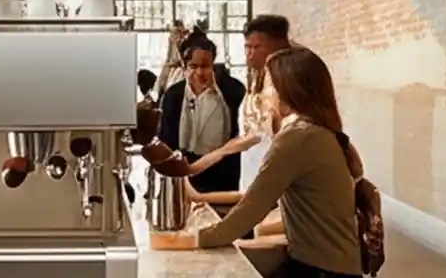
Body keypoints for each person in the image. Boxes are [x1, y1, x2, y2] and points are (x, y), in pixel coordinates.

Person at [151, 47, 364, 278]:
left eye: (268, 85)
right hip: (328, 265)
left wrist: (183, 241)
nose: (262, 95)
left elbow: (246, 214)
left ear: (287, 90)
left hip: (320, 271)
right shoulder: (315, 131)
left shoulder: (297, 137)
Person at [157, 29, 248, 193]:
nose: (199, 72)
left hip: (222, 173)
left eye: (205, 66)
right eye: (193, 66)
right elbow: (165, 138)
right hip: (184, 174)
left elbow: (241, 133)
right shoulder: (174, 95)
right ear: (184, 66)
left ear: (213, 64)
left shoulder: (233, 91)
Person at [239, 14, 292, 189]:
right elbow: (252, 136)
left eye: (256, 47)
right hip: (251, 175)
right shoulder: (256, 77)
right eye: (247, 46)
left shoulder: (287, 84)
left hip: (277, 182)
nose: (249, 54)